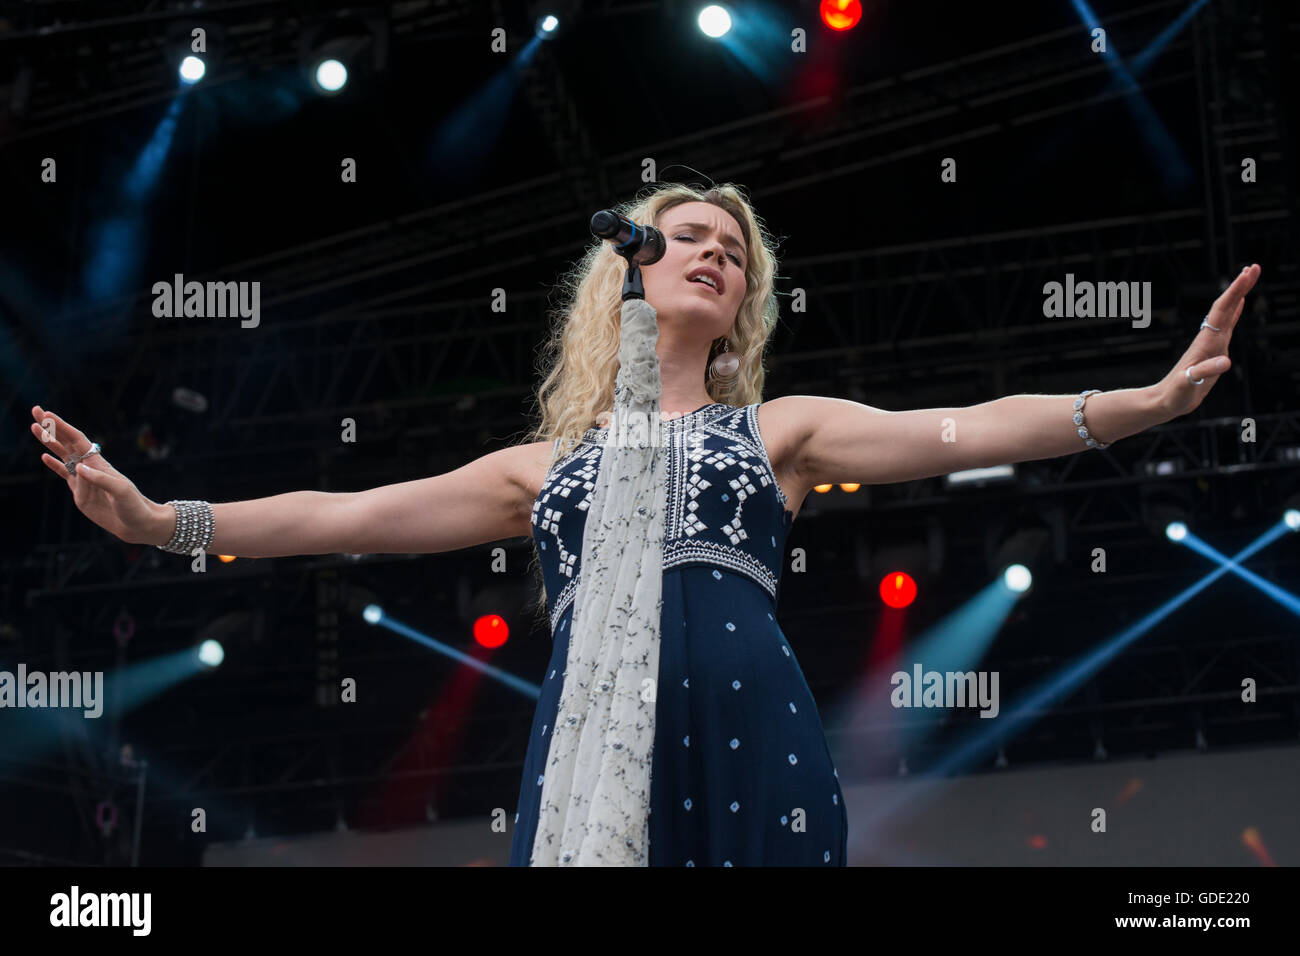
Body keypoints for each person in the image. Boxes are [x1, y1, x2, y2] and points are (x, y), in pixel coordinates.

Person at [31, 181, 1260, 866]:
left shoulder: (779, 429)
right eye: (691, 239)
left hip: (750, 729)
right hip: (590, 742)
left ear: (742, 303)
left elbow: (969, 426)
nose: (717, 255)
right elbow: (344, 510)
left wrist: (1143, 401)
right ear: (627, 272)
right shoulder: (546, 463)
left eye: (735, 252)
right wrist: (157, 520)